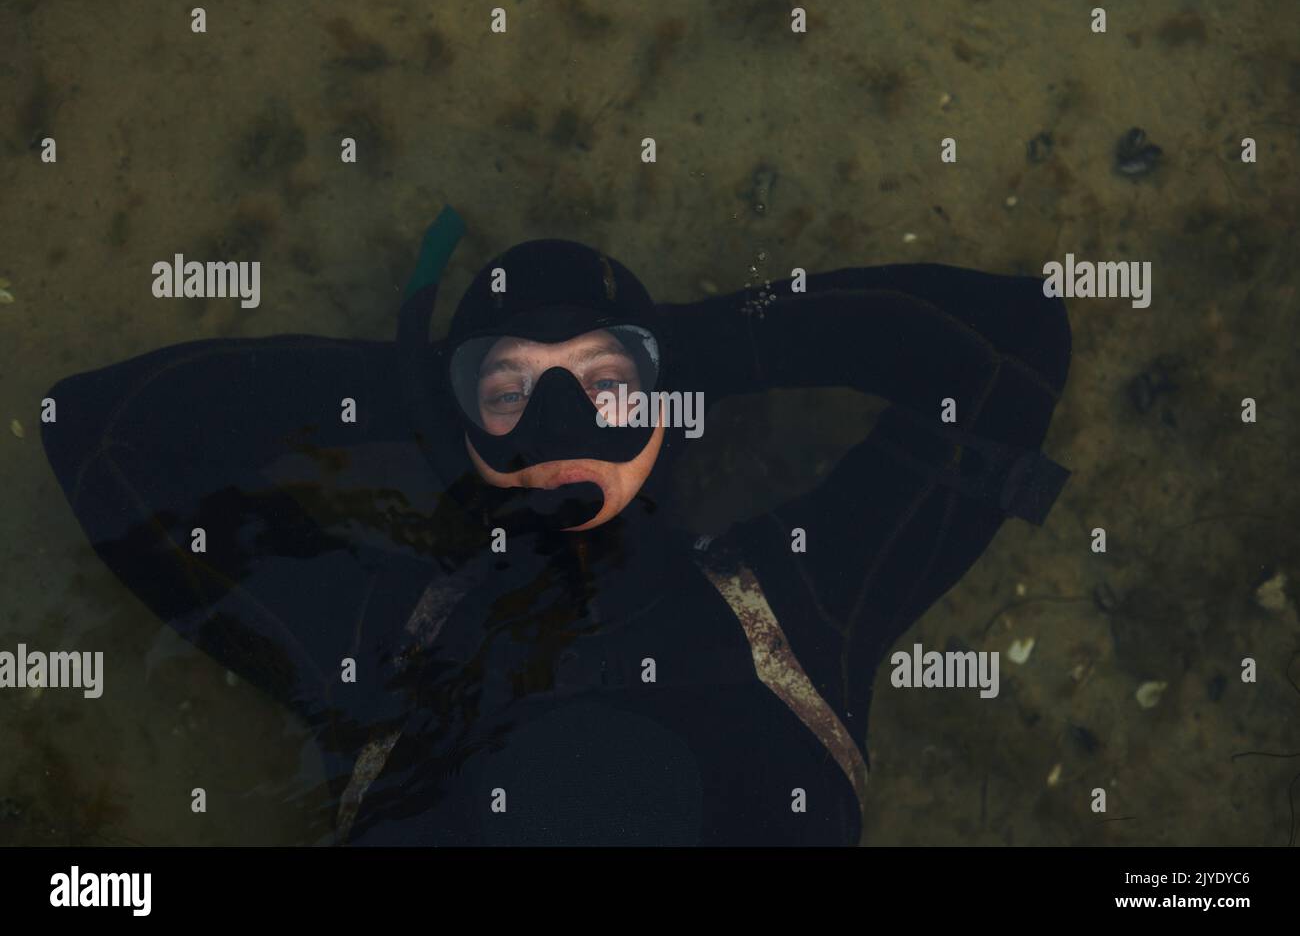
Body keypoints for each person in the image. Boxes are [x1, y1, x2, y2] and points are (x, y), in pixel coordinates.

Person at [40, 207, 1072, 845]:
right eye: (509, 388)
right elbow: (94, 435)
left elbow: (1017, 329)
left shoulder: (803, 600)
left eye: (605, 384)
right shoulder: (378, 637)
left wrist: (692, 349)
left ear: (668, 409)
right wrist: (408, 390)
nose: (559, 423)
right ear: (461, 423)